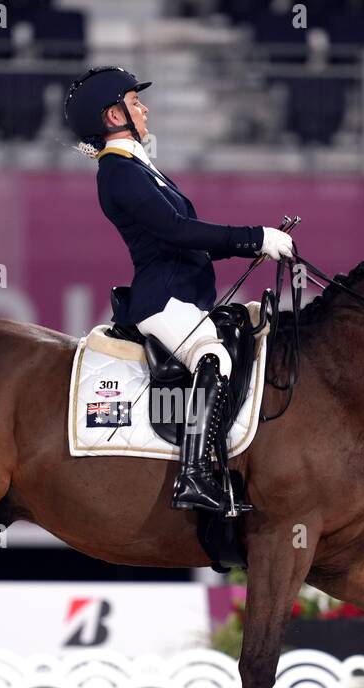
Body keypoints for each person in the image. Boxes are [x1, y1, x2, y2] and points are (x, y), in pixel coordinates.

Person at [64, 66, 295, 513]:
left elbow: (185, 238)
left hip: (180, 292)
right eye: (134, 102)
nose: (144, 107)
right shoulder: (119, 172)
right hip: (162, 299)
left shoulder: (137, 166)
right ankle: (195, 475)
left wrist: (252, 246)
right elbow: (177, 230)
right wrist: (254, 237)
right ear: (113, 115)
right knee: (213, 357)